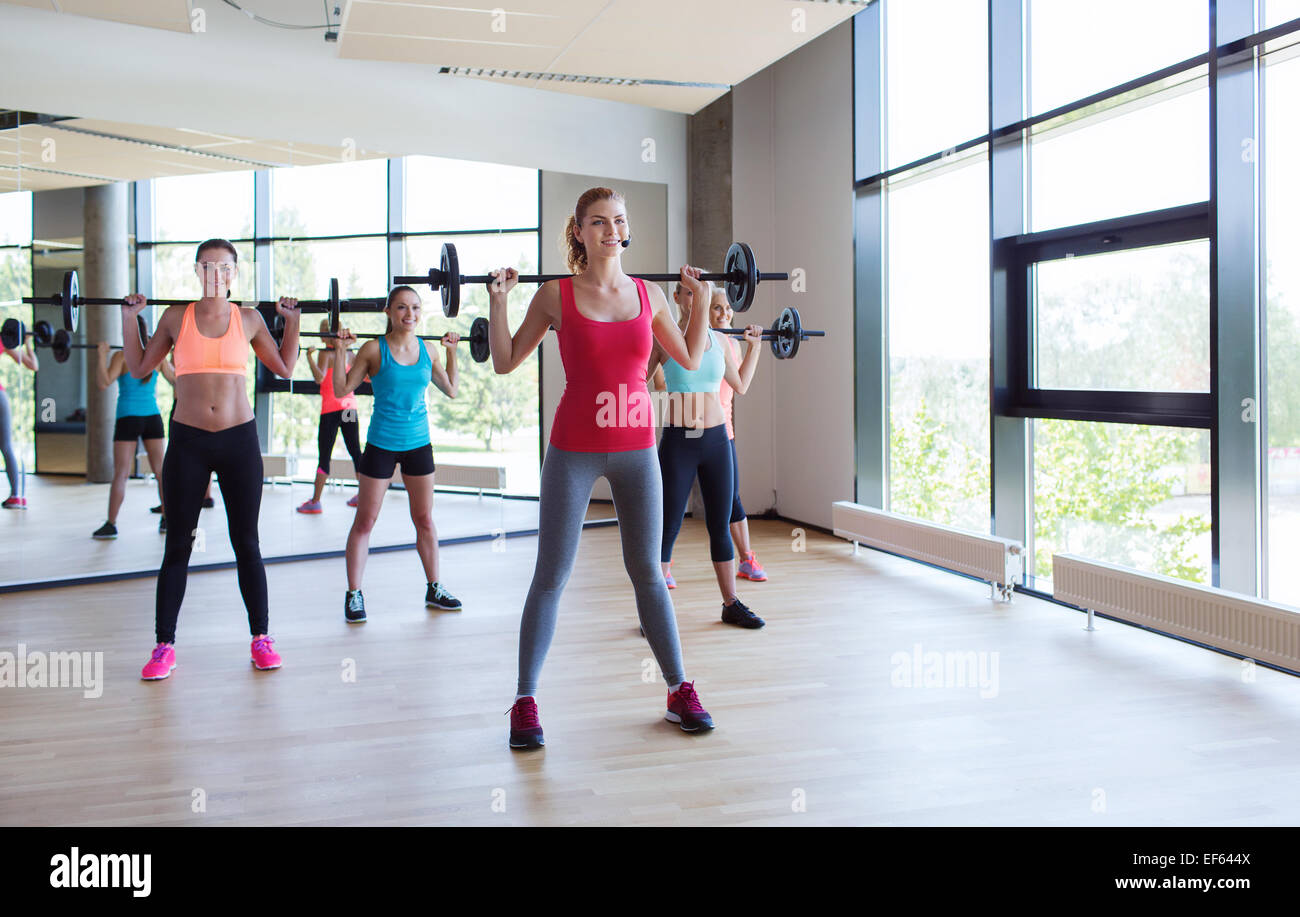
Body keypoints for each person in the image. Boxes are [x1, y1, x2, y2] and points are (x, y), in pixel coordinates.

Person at [488, 186, 717, 749]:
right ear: (579, 231)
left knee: (648, 574)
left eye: (617, 220)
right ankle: (524, 701)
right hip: (573, 448)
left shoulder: (650, 294)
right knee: (551, 576)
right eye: (598, 222)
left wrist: (701, 300)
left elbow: (689, 357)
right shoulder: (554, 295)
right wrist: (498, 301)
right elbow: (504, 362)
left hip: (638, 449)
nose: (610, 229)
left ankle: (678, 689)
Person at [122, 238, 300, 680]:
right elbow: (140, 367)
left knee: (247, 543)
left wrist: (292, 322)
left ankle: (261, 639)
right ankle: (164, 646)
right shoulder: (173, 318)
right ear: (197, 271)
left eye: (224, 267)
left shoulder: (250, 319)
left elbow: (284, 368)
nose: (215, 274)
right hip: (188, 442)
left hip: (239, 441)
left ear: (234, 274)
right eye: (207, 266)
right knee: (177, 546)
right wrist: (129, 319)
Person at [333, 286, 461, 623]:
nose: (410, 315)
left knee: (425, 520)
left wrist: (451, 352)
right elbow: (341, 389)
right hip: (381, 444)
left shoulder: (428, 349)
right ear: (389, 311)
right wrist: (339, 350)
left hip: (419, 443)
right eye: (402, 308)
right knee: (365, 521)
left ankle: (434, 588)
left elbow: (451, 389)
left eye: (416, 308)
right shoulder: (374, 350)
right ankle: (354, 594)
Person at [647, 282, 765, 629]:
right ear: (679, 299)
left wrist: (754, 347)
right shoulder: (663, 337)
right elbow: (641, 377)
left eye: (703, 292)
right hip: (679, 442)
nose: (697, 296)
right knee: (668, 526)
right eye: (690, 291)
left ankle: (731, 604)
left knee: (719, 524)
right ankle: (655, 611)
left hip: (716, 442)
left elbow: (740, 385)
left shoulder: (721, 341)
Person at [93, 332, 173, 538]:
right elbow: (177, 380)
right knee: (161, 472)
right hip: (152, 418)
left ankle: (111, 524)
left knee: (121, 473)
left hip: (128, 417)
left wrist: (101, 355)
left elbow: (103, 383)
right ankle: (167, 519)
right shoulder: (158, 359)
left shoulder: (121, 357)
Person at [712, 290, 767, 582]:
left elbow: (742, 385)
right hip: (690, 431)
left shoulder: (733, 345)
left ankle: (747, 560)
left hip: (724, 433)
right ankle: (663, 567)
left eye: (729, 309)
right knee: (670, 502)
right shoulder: (698, 343)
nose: (724, 314)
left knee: (731, 498)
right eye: (717, 308)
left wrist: (755, 346)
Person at [297, 319, 363, 514]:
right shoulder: (350, 354)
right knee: (355, 452)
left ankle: (315, 501)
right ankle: (363, 496)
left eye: (324, 331)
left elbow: (319, 378)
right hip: (349, 409)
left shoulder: (326, 353)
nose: (321, 334)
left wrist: (309, 357)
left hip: (331, 412)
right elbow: (364, 376)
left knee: (325, 456)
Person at [0, 328, 38, 509]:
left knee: (6, 445)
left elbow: (33, 366)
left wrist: (27, 340)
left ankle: (16, 495)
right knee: (6, 445)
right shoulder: (2, 341)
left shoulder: (3, 340)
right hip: (1, 397)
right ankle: (17, 496)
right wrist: (28, 342)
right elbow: (33, 365)